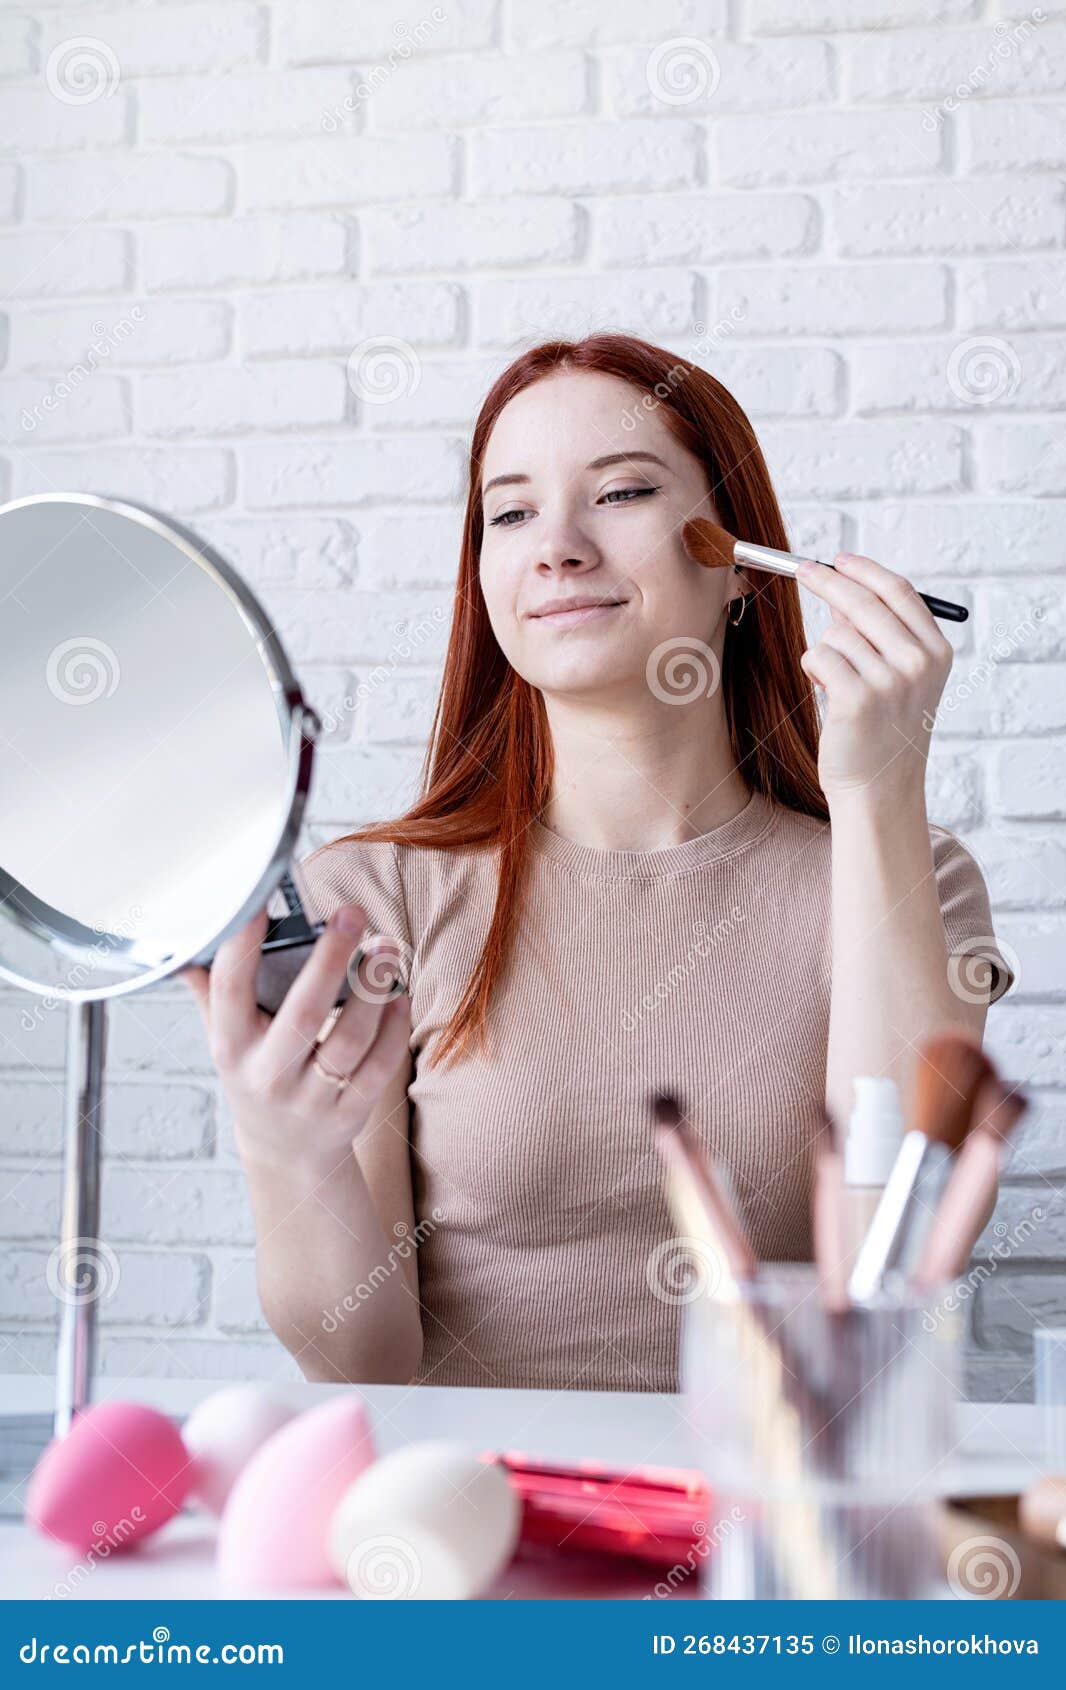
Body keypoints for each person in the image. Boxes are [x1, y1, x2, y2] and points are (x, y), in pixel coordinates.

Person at [184, 333, 1014, 1394]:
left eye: (620, 492)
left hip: (774, 1533)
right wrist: (284, 1151)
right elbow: (361, 1358)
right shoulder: (373, 901)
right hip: (477, 1533)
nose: (558, 547)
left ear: (741, 565)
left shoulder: (910, 874)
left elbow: (886, 1270)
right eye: (511, 510)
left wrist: (881, 791)